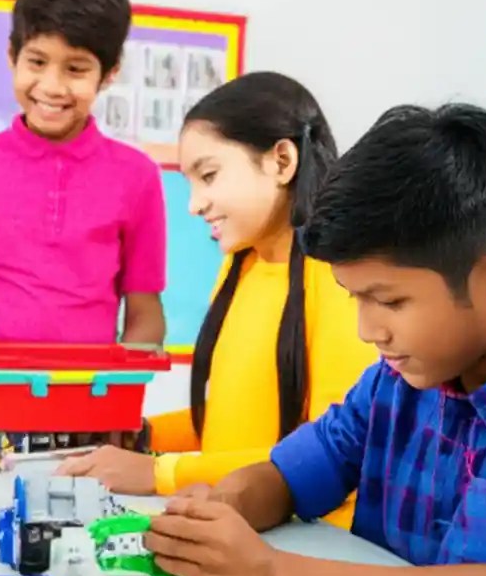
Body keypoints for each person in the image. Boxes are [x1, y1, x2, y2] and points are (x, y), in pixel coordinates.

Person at [144, 104, 486, 576]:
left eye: (389, 301)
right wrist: (221, 510)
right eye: (355, 298)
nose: (368, 330)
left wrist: (271, 575)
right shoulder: (392, 386)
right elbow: (288, 476)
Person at [57, 73, 376, 528]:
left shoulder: (338, 280)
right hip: (240, 526)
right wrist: (147, 436)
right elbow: (233, 423)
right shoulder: (238, 267)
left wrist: (160, 472)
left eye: (209, 176)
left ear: (281, 161)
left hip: (313, 538)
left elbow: (329, 454)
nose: (194, 204)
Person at [0, 0, 166, 346]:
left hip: (90, 397)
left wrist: (117, 390)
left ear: (109, 73)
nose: (52, 87)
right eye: (37, 62)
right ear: (12, 56)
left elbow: (145, 311)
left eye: (76, 69)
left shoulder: (138, 176)